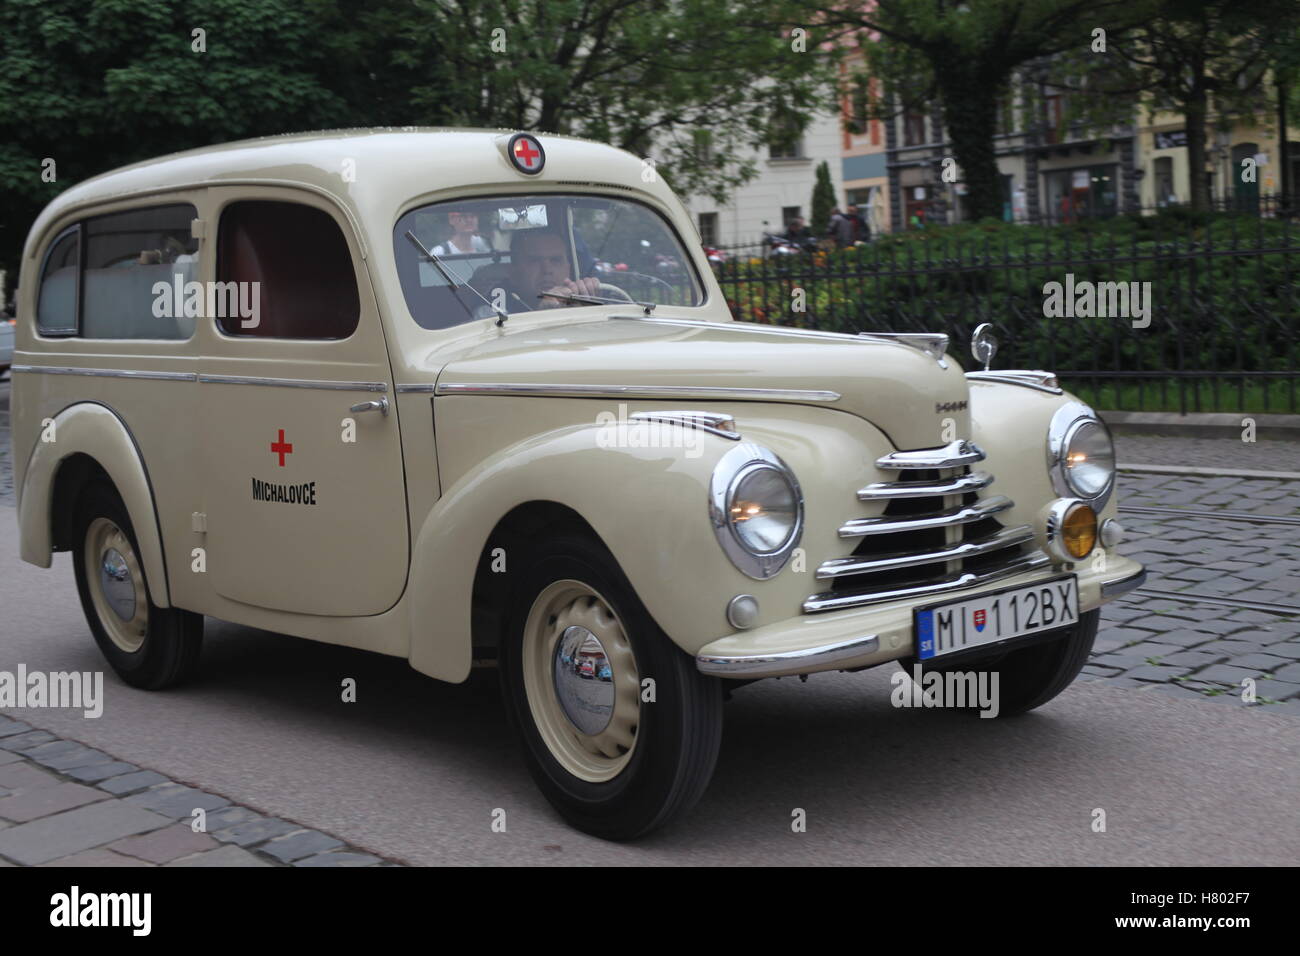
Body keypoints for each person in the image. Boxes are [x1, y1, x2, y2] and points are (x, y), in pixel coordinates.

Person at [482, 229, 601, 312]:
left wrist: (591, 304)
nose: (547, 270)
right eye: (534, 261)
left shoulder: (584, 301)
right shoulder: (492, 311)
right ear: (514, 273)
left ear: (568, 269)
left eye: (555, 260)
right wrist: (542, 313)